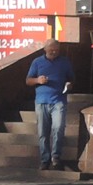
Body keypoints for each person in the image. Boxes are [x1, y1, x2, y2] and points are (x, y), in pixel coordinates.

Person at [26, 38, 77, 170]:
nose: (54, 52)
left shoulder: (65, 62)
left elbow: (71, 78)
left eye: (56, 50)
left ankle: (56, 157)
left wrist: (69, 84)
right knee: (43, 132)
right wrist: (38, 80)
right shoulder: (37, 62)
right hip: (42, 101)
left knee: (58, 128)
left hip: (58, 100)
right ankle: (45, 159)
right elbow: (28, 81)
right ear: (45, 49)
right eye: (51, 50)